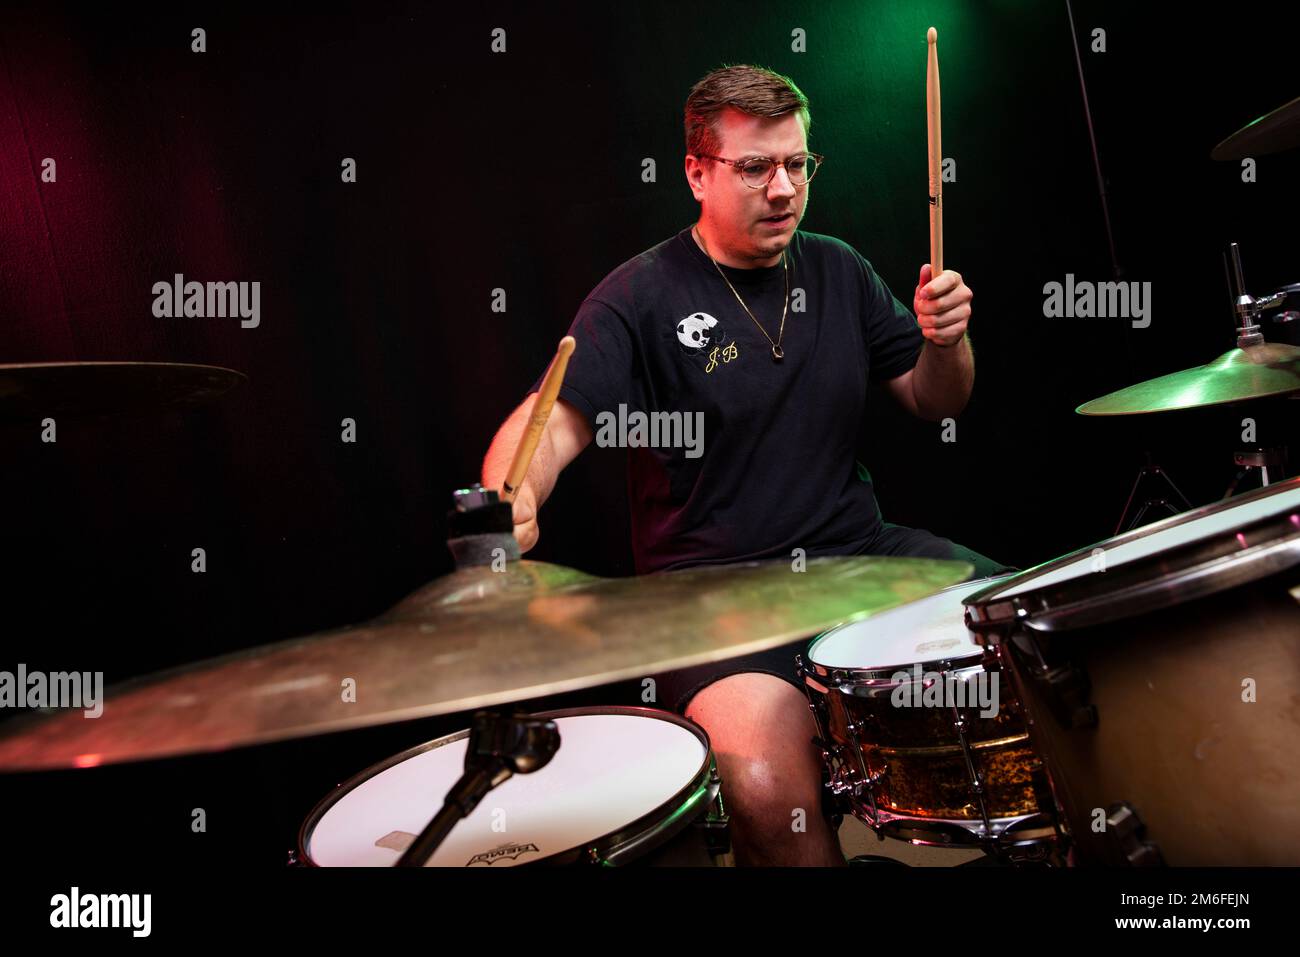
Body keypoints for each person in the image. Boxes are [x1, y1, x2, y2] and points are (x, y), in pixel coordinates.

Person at [481, 64, 1010, 865]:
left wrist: (947, 341)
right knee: (765, 784)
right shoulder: (638, 296)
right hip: (712, 605)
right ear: (696, 171)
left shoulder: (838, 267)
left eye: (798, 164)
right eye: (756, 167)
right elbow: (551, 424)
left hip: (861, 561)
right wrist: (508, 493)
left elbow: (936, 401)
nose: (784, 188)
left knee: (1033, 637)